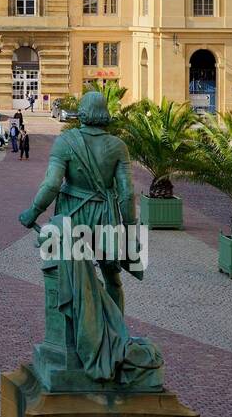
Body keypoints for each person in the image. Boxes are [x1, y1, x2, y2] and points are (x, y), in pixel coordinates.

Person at [17, 90, 157, 385]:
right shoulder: (118, 146)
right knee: (113, 278)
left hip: (73, 215)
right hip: (105, 216)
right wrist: (130, 230)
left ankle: (70, 342)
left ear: (80, 112)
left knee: (67, 276)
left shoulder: (66, 142)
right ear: (104, 113)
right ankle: (116, 336)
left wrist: (33, 211)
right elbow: (126, 193)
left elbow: (53, 183)